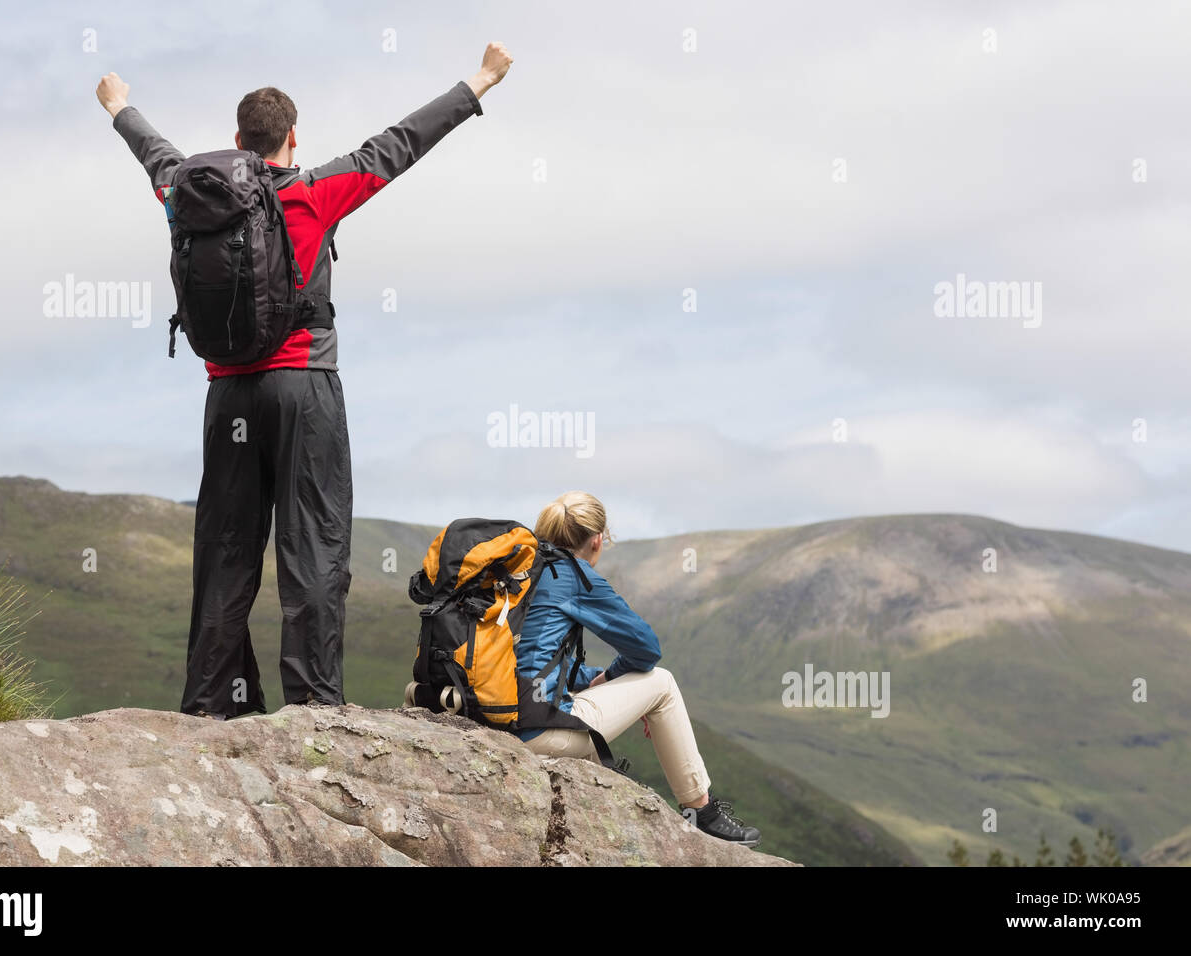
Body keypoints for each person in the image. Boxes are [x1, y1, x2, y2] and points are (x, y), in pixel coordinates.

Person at [95, 43, 514, 719]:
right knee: (313, 543)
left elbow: (154, 151)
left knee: (226, 550)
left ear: (237, 141)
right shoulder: (314, 190)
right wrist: (483, 80)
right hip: (303, 388)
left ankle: (210, 703)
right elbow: (399, 144)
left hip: (226, 395)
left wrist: (118, 104)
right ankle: (314, 704)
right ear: (292, 137)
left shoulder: (189, 193)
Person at [515, 491, 762, 846]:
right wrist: (619, 680)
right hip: (535, 734)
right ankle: (701, 813)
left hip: (493, 715)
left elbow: (537, 662)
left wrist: (600, 681)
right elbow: (647, 650)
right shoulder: (573, 576)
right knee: (661, 683)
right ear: (598, 540)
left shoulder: (519, 571)